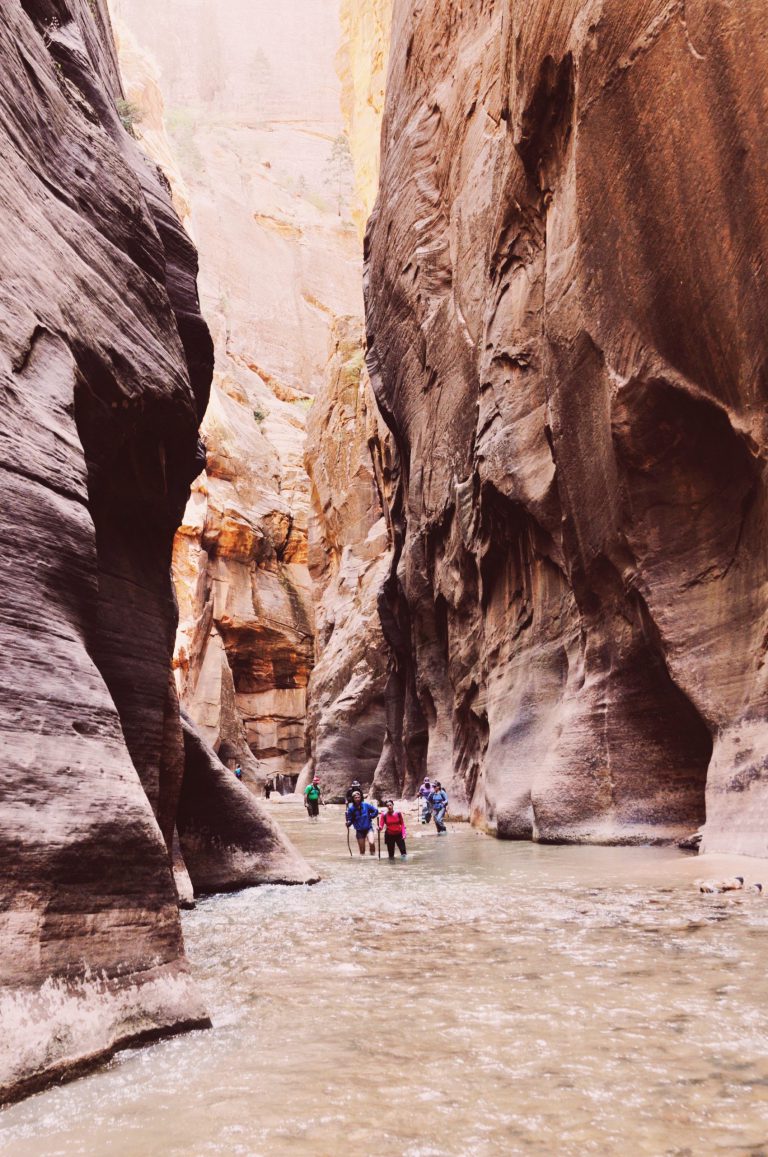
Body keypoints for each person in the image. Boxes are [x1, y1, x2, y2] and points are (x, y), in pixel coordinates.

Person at [345, 791, 379, 855]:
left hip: (368, 828)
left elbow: (375, 811)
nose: (357, 799)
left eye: (358, 797)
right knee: (362, 850)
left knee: (371, 843)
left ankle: (373, 857)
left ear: (361, 798)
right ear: (353, 799)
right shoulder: (351, 809)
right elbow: (350, 820)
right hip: (359, 831)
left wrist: (371, 816)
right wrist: (348, 824)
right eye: (355, 798)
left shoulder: (366, 805)